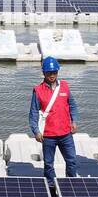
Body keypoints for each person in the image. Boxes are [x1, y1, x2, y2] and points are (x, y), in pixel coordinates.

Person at [29, 56, 79, 184]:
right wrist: (36, 131)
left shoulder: (65, 87)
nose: (52, 75)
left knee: (71, 161)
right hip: (48, 135)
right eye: (49, 72)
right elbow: (33, 112)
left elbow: (72, 105)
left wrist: (74, 121)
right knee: (49, 165)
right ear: (43, 72)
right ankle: (51, 188)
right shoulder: (38, 90)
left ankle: (71, 184)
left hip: (66, 134)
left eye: (54, 72)